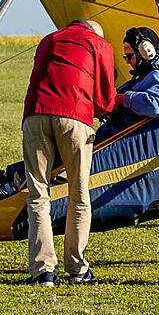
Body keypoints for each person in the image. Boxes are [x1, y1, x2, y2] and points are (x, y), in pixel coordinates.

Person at [22, 19, 116, 287]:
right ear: (95, 31)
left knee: (38, 194)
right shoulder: (100, 44)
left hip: (35, 115)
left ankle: (43, 272)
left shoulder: (49, 39)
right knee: (79, 194)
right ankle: (77, 268)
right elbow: (106, 100)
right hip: (75, 117)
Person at [113, 26, 159, 120]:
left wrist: (124, 99)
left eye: (129, 56)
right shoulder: (146, 74)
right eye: (125, 57)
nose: (127, 61)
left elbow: (154, 106)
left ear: (146, 51)